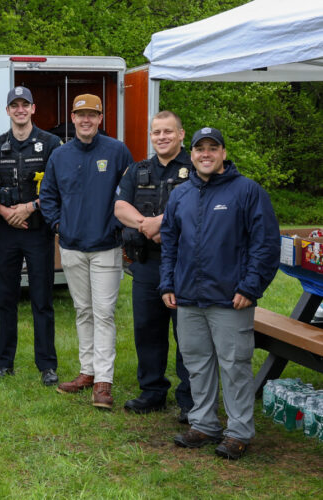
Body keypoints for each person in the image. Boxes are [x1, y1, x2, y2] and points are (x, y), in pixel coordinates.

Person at [161, 127, 279, 460]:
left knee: (235, 364)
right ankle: (204, 423)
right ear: (192, 154)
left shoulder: (248, 192)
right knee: (197, 363)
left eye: (214, 148)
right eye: (200, 149)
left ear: (224, 153)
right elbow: (169, 243)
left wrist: (250, 287)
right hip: (187, 297)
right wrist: (167, 283)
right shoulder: (181, 194)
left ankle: (239, 430)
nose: (206, 154)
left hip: (231, 298)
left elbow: (266, 245)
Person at [40, 94, 131, 409]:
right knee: (83, 311)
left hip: (106, 246)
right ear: (74, 118)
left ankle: (104, 381)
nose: (86, 120)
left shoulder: (117, 151)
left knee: (104, 313)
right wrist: (58, 225)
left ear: (101, 118)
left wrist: (120, 228)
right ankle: (87, 372)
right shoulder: (60, 155)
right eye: (81, 115)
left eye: (93, 115)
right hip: (72, 246)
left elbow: (129, 193)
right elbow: (48, 195)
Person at [114, 110, 194, 421]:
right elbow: (120, 206)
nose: (162, 137)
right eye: (156, 132)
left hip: (185, 266)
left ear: (181, 134)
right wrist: (147, 225)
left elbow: (199, 206)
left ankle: (190, 399)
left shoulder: (195, 168)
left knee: (187, 333)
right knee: (147, 329)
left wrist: (164, 223)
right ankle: (152, 392)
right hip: (147, 264)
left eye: (168, 132)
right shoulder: (139, 169)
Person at [0, 86, 62, 387]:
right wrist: (4, 212)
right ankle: (5, 364)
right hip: (6, 233)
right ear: (7, 111)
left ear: (33, 108)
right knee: (6, 301)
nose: (19, 110)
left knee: (42, 301)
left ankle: (47, 366)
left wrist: (29, 207)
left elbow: (58, 188)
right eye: (14, 105)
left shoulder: (51, 143)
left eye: (24, 105)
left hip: (38, 233)